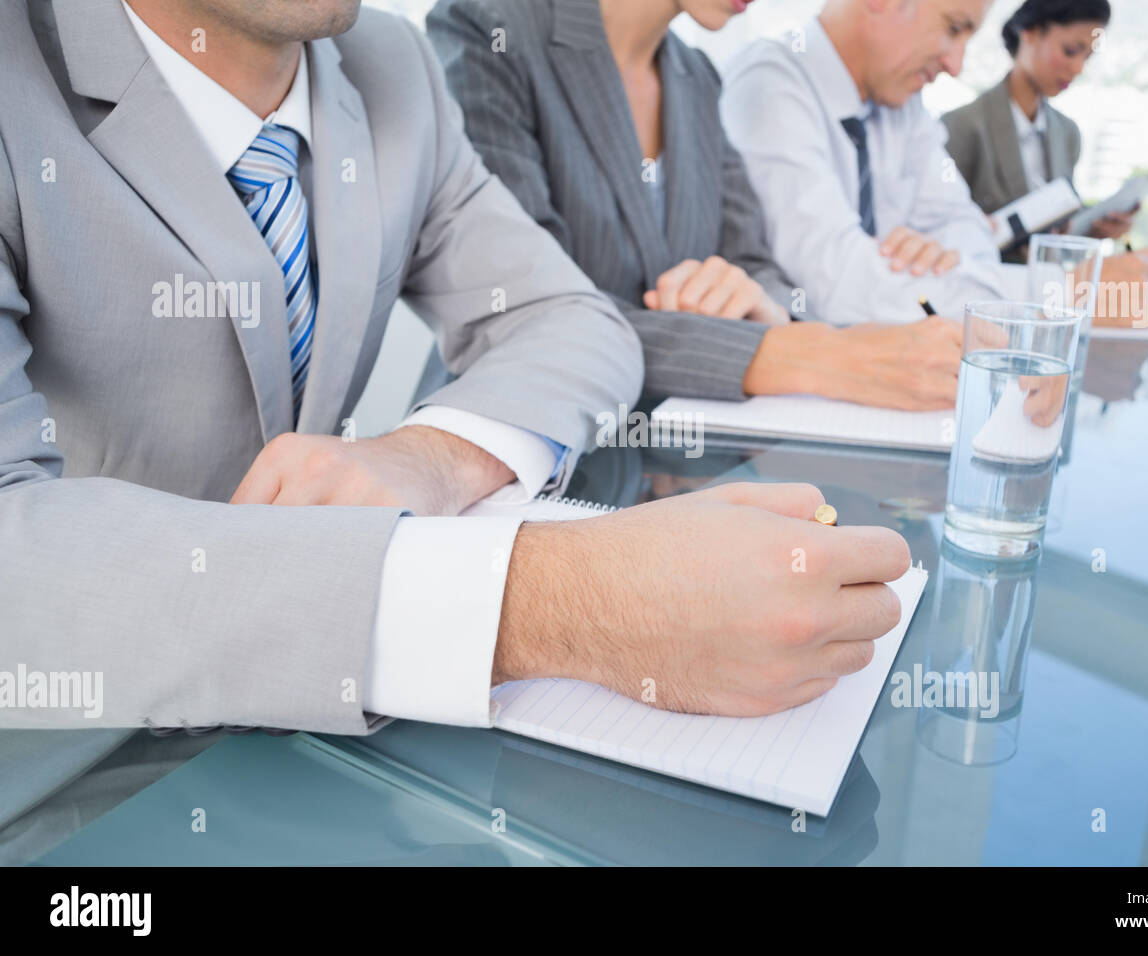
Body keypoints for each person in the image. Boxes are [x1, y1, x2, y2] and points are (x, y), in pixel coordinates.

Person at [0, 0, 909, 859]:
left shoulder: (384, 64)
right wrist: (540, 606)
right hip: (71, 780)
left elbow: (570, 316)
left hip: (330, 764)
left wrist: (432, 458)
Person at [428, 0, 967, 413]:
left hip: (675, 458)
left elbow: (752, 261)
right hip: (522, 445)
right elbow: (531, 313)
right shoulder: (489, 30)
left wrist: (765, 308)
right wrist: (805, 354)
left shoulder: (698, 78)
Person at [721, 0, 1148, 328]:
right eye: (953, 28)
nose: (956, 64)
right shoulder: (768, 85)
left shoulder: (902, 108)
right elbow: (836, 285)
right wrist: (1061, 293)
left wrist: (936, 259)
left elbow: (970, 231)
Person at [942, 0, 1135, 251]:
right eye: (1070, 50)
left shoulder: (1068, 134)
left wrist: (1092, 230)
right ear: (1030, 33)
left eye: (1087, 57)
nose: (1077, 68)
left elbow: (1057, 229)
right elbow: (941, 233)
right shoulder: (962, 127)